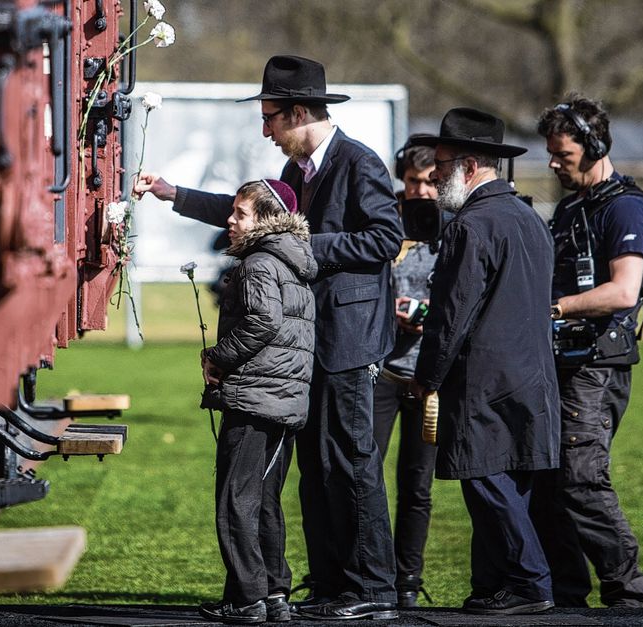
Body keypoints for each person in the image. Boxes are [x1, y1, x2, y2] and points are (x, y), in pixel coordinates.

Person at [137, 55, 403, 621]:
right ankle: (333, 583)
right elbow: (253, 218)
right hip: (306, 347)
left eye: (271, 119)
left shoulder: (359, 164)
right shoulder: (298, 176)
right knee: (316, 471)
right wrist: (172, 192)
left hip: (347, 342)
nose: (266, 131)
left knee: (350, 464)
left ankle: (374, 589)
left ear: (299, 112)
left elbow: (384, 237)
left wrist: (302, 247)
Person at [408, 107, 560, 615]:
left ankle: (529, 584)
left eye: (442, 165)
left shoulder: (471, 226)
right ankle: (494, 584)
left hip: (484, 382)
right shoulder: (528, 219)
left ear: (469, 166)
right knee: (508, 483)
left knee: (487, 481)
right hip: (532, 377)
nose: (433, 175)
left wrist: (426, 377)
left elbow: (451, 315)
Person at [529, 95, 643, 608]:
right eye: (551, 154)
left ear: (595, 145)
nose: (554, 163)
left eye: (562, 154)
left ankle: (630, 598)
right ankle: (567, 597)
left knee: (581, 479)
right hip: (559, 361)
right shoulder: (569, 208)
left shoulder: (627, 207)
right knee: (549, 481)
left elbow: (624, 291)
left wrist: (555, 309)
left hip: (597, 365)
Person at [197, 179, 318, 624]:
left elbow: (263, 322)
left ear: (267, 220)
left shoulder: (259, 263)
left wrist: (217, 358)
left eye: (240, 213)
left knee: (234, 500)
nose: (230, 220)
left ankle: (248, 599)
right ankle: (272, 594)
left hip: (256, 397)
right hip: (283, 399)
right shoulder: (292, 262)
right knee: (263, 500)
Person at [372, 136, 439, 608]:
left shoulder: (454, 224)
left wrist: (431, 314)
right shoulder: (387, 220)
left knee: (417, 487)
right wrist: (386, 309)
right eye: (414, 181)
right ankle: (366, 575)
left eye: (431, 182)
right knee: (365, 477)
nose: (421, 191)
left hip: (430, 375)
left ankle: (407, 583)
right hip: (383, 370)